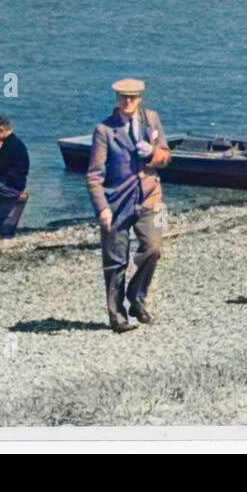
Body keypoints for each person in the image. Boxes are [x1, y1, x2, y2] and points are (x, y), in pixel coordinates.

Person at [86, 79, 171, 332]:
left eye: (132, 97)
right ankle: (117, 315)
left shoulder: (152, 119)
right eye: (123, 97)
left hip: (150, 198)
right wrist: (102, 208)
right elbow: (94, 176)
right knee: (115, 261)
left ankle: (137, 296)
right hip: (116, 202)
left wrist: (154, 153)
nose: (128, 101)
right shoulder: (104, 130)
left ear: (140, 98)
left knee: (154, 248)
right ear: (117, 98)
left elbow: (167, 156)